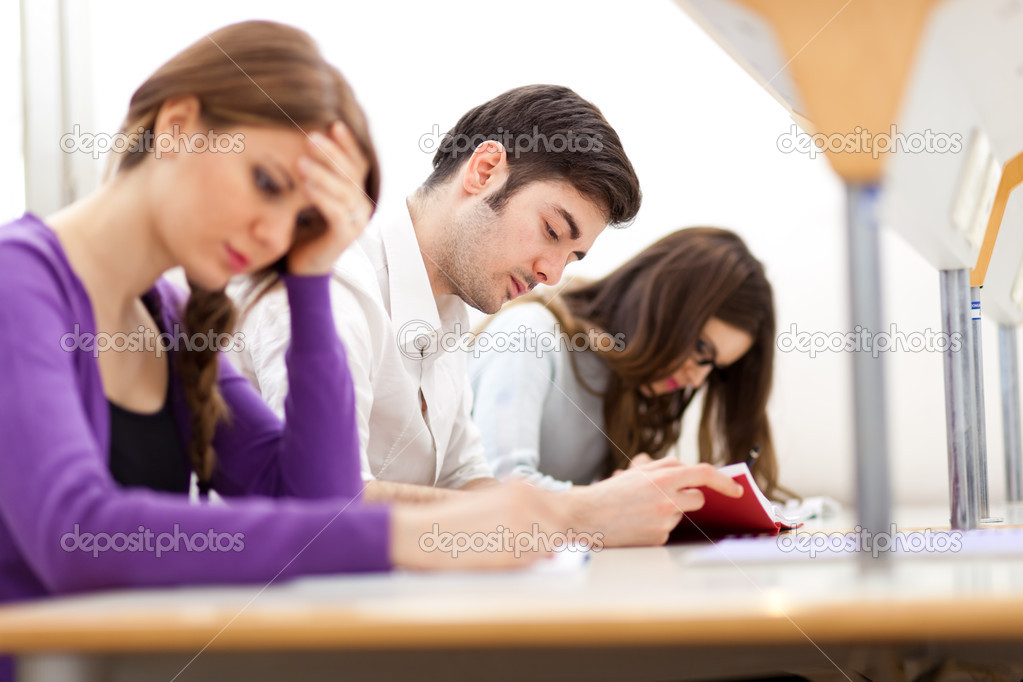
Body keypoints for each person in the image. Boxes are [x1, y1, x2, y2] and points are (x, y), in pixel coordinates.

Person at [0, 23, 568, 673]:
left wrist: (310, 278)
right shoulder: (16, 280)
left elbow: (313, 500)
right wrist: (403, 534)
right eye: (267, 183)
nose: (273, 234)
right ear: (178, 126)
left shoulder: (171, 322)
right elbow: (79, 536)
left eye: (301, 220)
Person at [235, 87, 745, 548]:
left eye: (572, 257)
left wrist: (606, 509)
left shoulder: (452, 311)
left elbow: (467, 479)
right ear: (484, 171)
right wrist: (575, 514)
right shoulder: (331, 279)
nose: (552, 275)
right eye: (551, 231)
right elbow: (328, 501)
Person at [469, 227, 786, 498]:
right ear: (661, 301)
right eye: (701, 347)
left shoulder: (628, 385)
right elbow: (499, 492)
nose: (696, 380)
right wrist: (616, 500)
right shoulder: (529, 333)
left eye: (714, 370)